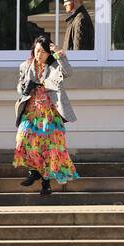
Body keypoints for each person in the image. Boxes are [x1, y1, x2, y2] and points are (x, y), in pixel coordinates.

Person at [13, 31, 78, 195]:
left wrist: (59, 54)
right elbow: (19, 87)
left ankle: (46, 184)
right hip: (31, 111)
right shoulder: (26, 65)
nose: (39, 54)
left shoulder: (55, 65)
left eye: (42, 51)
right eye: (36, 51)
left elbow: (69, 72)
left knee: (49, 146)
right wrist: (25, 87)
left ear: (48, 53)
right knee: (24, 137)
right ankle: (33, 171)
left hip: (50, 111)